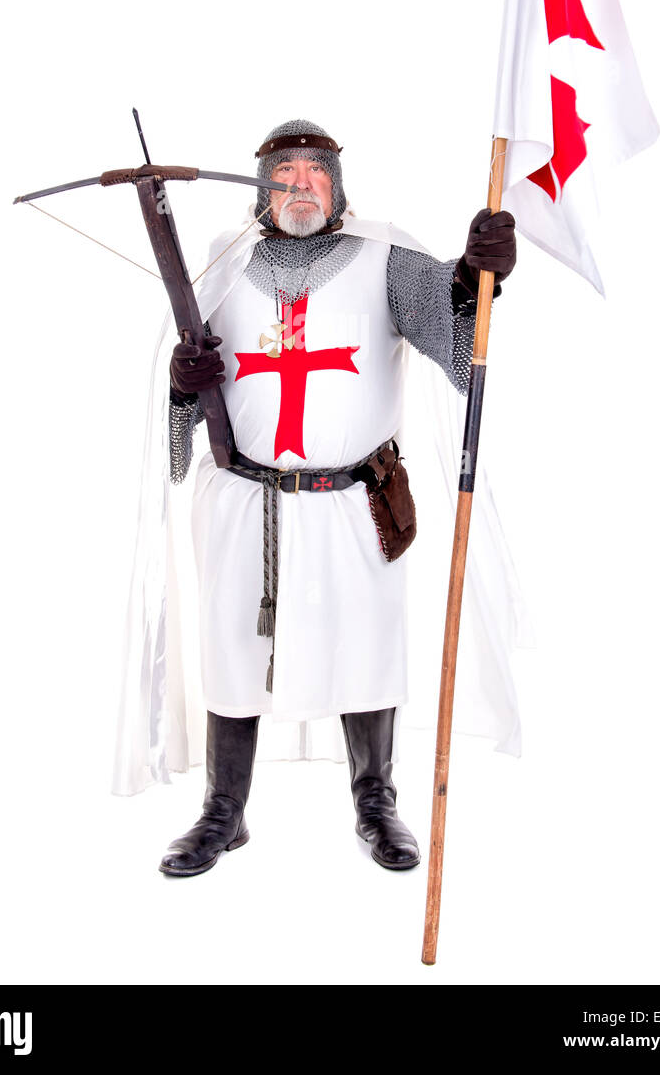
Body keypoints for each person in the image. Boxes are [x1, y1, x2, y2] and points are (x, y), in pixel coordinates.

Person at [155, 119, 517, 878]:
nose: (300, 183)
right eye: (284, 170)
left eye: (314, 170)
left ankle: (375, 803)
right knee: (233, 648)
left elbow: (451, 323)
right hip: (243, 502)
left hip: (355, 501)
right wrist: (182, 384)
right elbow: (180, 370)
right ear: (261, 187)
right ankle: (224, 811)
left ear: (337, 182)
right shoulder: (223, 263)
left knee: (367, 646)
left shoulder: (385, 256)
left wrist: (473, 277)